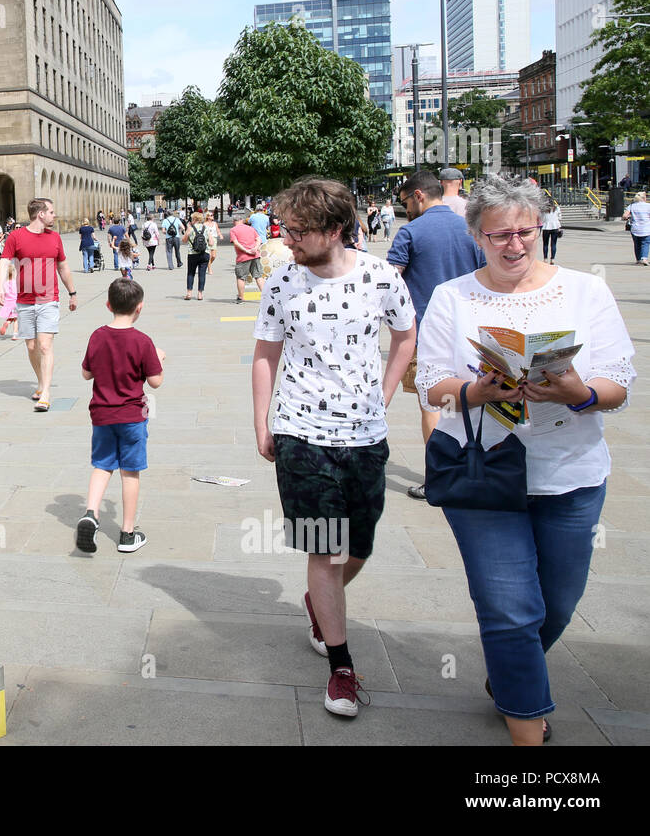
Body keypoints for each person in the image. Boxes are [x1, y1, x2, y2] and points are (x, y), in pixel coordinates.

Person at [416, 173, 634, 746]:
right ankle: (527, 730)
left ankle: (510, 675)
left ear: (541, 229)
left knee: (556, 606)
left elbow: (618, 386)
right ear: (476, 238)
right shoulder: (453, 295)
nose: (514, 246)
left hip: (572, 474)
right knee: (511, 609)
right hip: (484, 471)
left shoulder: (587, 291)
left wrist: (579, 393)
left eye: (525, 233)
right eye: (498, 237)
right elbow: (431, 382)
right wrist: (473, 392)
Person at [251, 178, 416, 718]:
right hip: (302, 433)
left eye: (298, 231)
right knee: (325, 551)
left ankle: (319, 601)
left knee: (358, 547)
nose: (286, 238)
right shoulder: (281, 282)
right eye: (285, 228)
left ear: (335, 229)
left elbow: (406, 335)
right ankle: (341, 667)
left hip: (365, 436)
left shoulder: (381, 277)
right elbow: (265, 355)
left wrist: (386, 394)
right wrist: (263, 421)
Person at [387, 170, 487, 500]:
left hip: (425, 332)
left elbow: (389, 283)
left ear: (419, 195)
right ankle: (474, 472)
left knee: (433, 406)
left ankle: (438, 478)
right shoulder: (471, 231)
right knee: (471, 403)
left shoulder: (411, 233)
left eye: (405, 202)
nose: (405, 209)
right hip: (471, 333)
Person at [75, 278, 163, 555]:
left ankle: (91, 512)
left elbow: (86, 373)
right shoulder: (143, 341)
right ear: (140, 308)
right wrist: (158, 357)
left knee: (102, 465)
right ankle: (127, 533)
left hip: (101, 414)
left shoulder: (97, 336)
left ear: (108, 305)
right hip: (132, 416)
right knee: (130, 472)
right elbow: (156, 381)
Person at [0, 198, 78, 412]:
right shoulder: (16, 236)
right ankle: (41, 383)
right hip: (24, 301)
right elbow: (4, 262)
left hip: (48, 300)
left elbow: (63, 267)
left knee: (44, 345)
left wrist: (72, 293)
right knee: (31, 347)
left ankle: (46, 394)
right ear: (40, 214)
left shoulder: (55, 238)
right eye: (50, 211)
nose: (54, 215)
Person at [229, 210, 263, 302]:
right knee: (258, 276)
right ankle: (265, 296)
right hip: (255, 255)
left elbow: (236, 243)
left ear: (234, 222)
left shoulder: (233, 230)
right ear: (243, 220)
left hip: (243, 257)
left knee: (241, 277)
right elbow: (258, 239)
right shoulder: (250, 228)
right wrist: (255, 248)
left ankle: (241, 297)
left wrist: (246, 250)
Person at [183, 210, 215, 300]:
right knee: (202, 274)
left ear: (194, 219)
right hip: (205, 254)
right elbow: (212, 243)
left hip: (192, 254)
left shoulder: (190, 228)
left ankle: (189, 293)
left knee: (191, 273)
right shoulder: (206, 228)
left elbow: (184, 240)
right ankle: (200, 294)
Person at [622, 191, 650, 264]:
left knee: (637, 244)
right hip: (646, 228)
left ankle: (638, 260)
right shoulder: (648, 206)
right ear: (644, 198)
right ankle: (644, 258)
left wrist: (630, 216)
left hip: (635, 229)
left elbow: (625, 216)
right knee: (645, 243)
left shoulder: (632, 206)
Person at [0, 262, 20, 340]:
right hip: (15, 302)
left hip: (8, 303)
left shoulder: (5, 283)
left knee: (11, 316)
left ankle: (7, 322)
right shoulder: (16, 283)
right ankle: (15, 335)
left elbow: (4, 293)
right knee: (16, 319)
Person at [540, 196, 562, 264]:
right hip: (555, 227)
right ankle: (552, 259)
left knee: (545, 244)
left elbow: (541, 218)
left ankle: (545, 259)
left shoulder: (543, 209)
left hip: (546, 227)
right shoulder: (557, 208)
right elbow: (560, 217)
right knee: (553, 244)